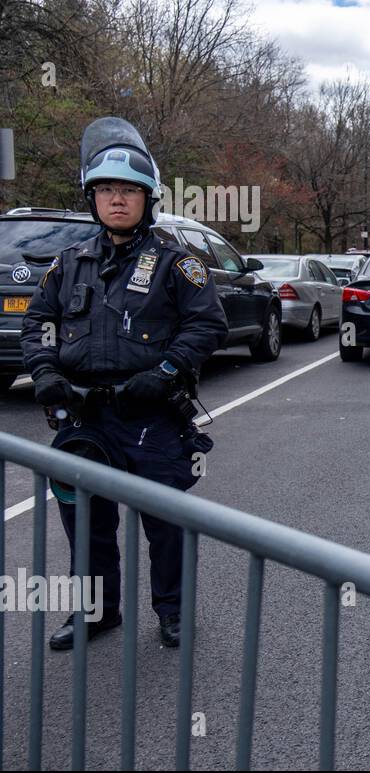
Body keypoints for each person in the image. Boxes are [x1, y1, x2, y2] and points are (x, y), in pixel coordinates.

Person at [21, 117, 227, 650]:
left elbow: (207, 325)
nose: (117, 200)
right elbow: (37, 321)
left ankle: (174, 613)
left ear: (148, 199)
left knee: (166, 522)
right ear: (93, 199)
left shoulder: (178, 265)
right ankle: (96, 613)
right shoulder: (67, 265)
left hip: (150, 416)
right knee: (85, 524)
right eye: (107, 190)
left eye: (128, 191)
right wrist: (44, 370)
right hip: (83, 417)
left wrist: (164, 374)